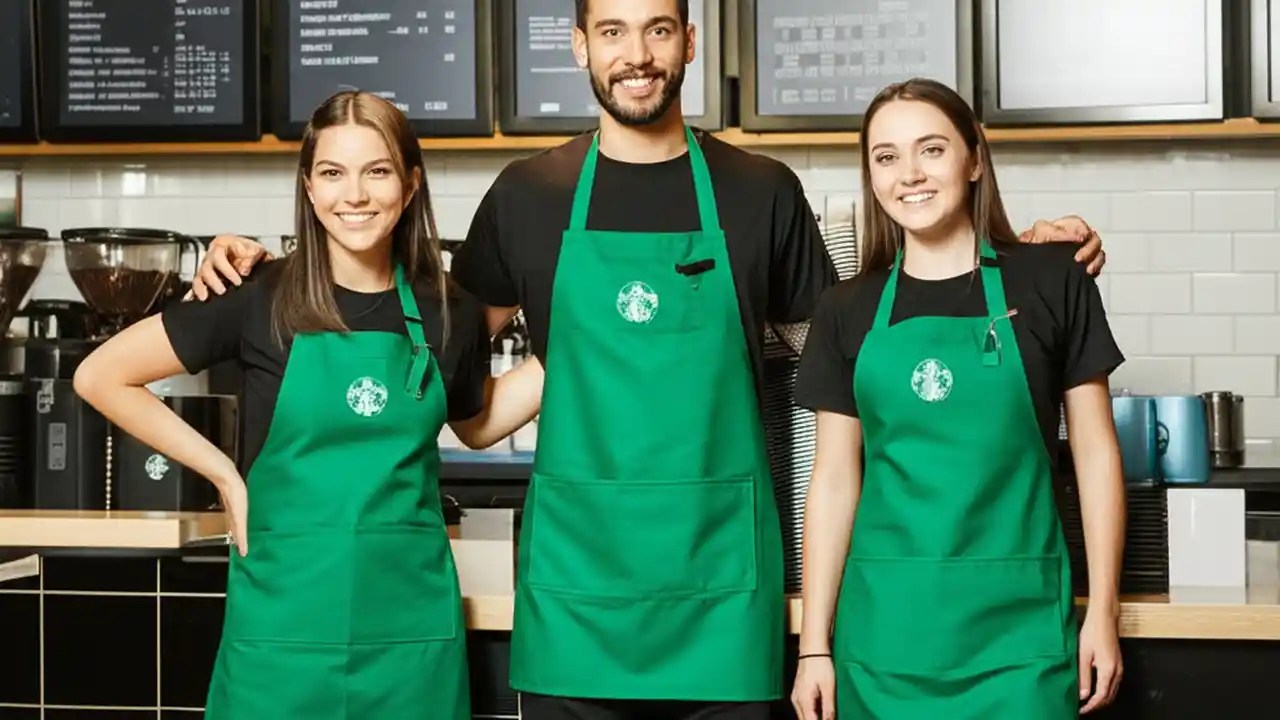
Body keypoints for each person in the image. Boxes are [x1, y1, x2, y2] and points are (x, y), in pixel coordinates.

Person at [186, 3, 1110, 717]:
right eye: (615, 31)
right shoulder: (528, 196)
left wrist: (1014, 259)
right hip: (578, 591)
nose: (638, 53)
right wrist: (266, 267)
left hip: (725, 588)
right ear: (579, 45)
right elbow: (435, 355)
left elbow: (853, 347)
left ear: (689, 44)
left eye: (659, 30)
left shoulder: (760, 191)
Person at [72, 91, 543, 720]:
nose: (354, 195)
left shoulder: (446, 308)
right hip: (282, 633)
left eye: (376, 171)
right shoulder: (254, 294)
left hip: (408, 635)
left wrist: (574, 349)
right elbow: (102, 376)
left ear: (409, 185)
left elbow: (477, 421)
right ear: (310, 189)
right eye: (333, 173)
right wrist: (223, 475)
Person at [789, 77, 1127, 720]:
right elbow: (833, 481)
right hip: (883, 639)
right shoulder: (847, 308)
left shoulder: (1053, 278)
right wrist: (813, 647)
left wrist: (1102, 612)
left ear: (974, 158)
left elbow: (1094, 452)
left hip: (1021, 638)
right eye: (886, 157)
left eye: (932, 150)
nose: (909, 174)